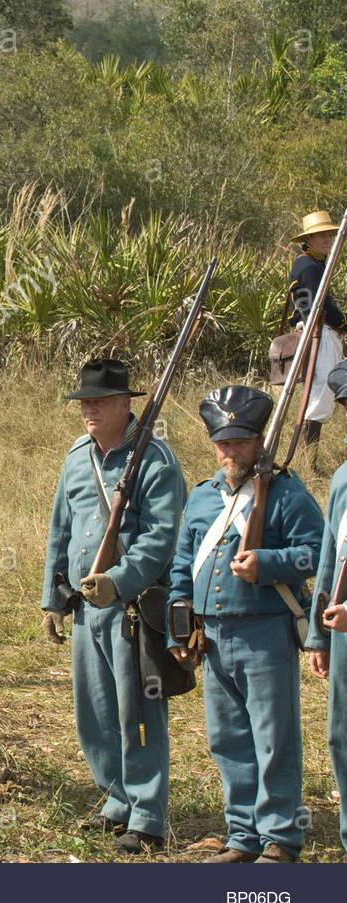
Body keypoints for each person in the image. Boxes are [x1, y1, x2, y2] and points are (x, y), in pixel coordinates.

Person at [168, 385, 323, 862]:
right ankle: (242, 834)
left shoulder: (287, 493)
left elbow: (318, 553)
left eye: (239, 442)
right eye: (223, 443)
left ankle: (280, 837)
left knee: (274, 738)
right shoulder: (202, 496)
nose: (230, 452)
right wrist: (179, 625)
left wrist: (269, 564)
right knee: (228, 739)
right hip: (213, 635)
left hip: (265, 633)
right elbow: (182, 565)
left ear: (259, 442)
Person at [41, 358, 185, 853]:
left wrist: (118, 582)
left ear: (126, 404)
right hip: (86, 609)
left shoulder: (156, 460)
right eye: (85, 402)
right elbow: (60, 529)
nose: (90, 410)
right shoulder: (76, 456)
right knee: (95, 712)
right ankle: (116, 800)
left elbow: (161, 539)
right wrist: (52, 599)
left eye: (100, 402)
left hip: (131, 610)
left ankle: (146, 816)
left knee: (137, 715)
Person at [305, 360, 347, 854]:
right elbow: (330, 558)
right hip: (342, 635)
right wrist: (319, 634)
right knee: (342, 737)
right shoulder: (342, 478)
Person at [287, 210, 344, 465]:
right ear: (308, 239)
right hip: (318, 333)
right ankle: (307, 462)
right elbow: (317, 307)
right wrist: (343, 323)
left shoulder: (311, 263)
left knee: (319, 394)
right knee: (320, 393)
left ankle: (307, 461)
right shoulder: (309, 266)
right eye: (320, 235)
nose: (327, 239)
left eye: (329, 234)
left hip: (316, 331)